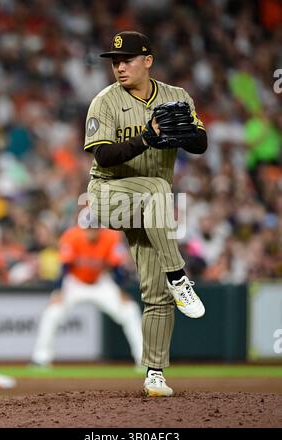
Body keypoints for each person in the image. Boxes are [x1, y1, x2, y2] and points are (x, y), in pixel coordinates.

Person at [84, 31, 208, 397]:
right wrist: (148, 138)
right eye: (114, 61)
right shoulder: (104, 101)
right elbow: (102, 156)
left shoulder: (176, 97)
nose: (119, 67)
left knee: (156, 295)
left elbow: (201, 143)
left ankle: (155, 373)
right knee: (157, 188)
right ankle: (179, 277)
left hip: (151, 209)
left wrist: (182, 133)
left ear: (148, 61)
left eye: (127, 60)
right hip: (109, 194)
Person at [31, 216, 143, 368]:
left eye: (94, 228)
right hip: (74, 282)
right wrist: (58, 291)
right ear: (81, 227)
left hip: (100, 281)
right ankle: (40, 358)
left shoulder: (111, 237)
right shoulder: (72, 236)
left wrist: (120, 290)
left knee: (130, 310)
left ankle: (143, 359)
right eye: (88, 228)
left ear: (100, 229)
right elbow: (64, 267)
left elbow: (117, 268)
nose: (91, 231)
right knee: (52, 312)